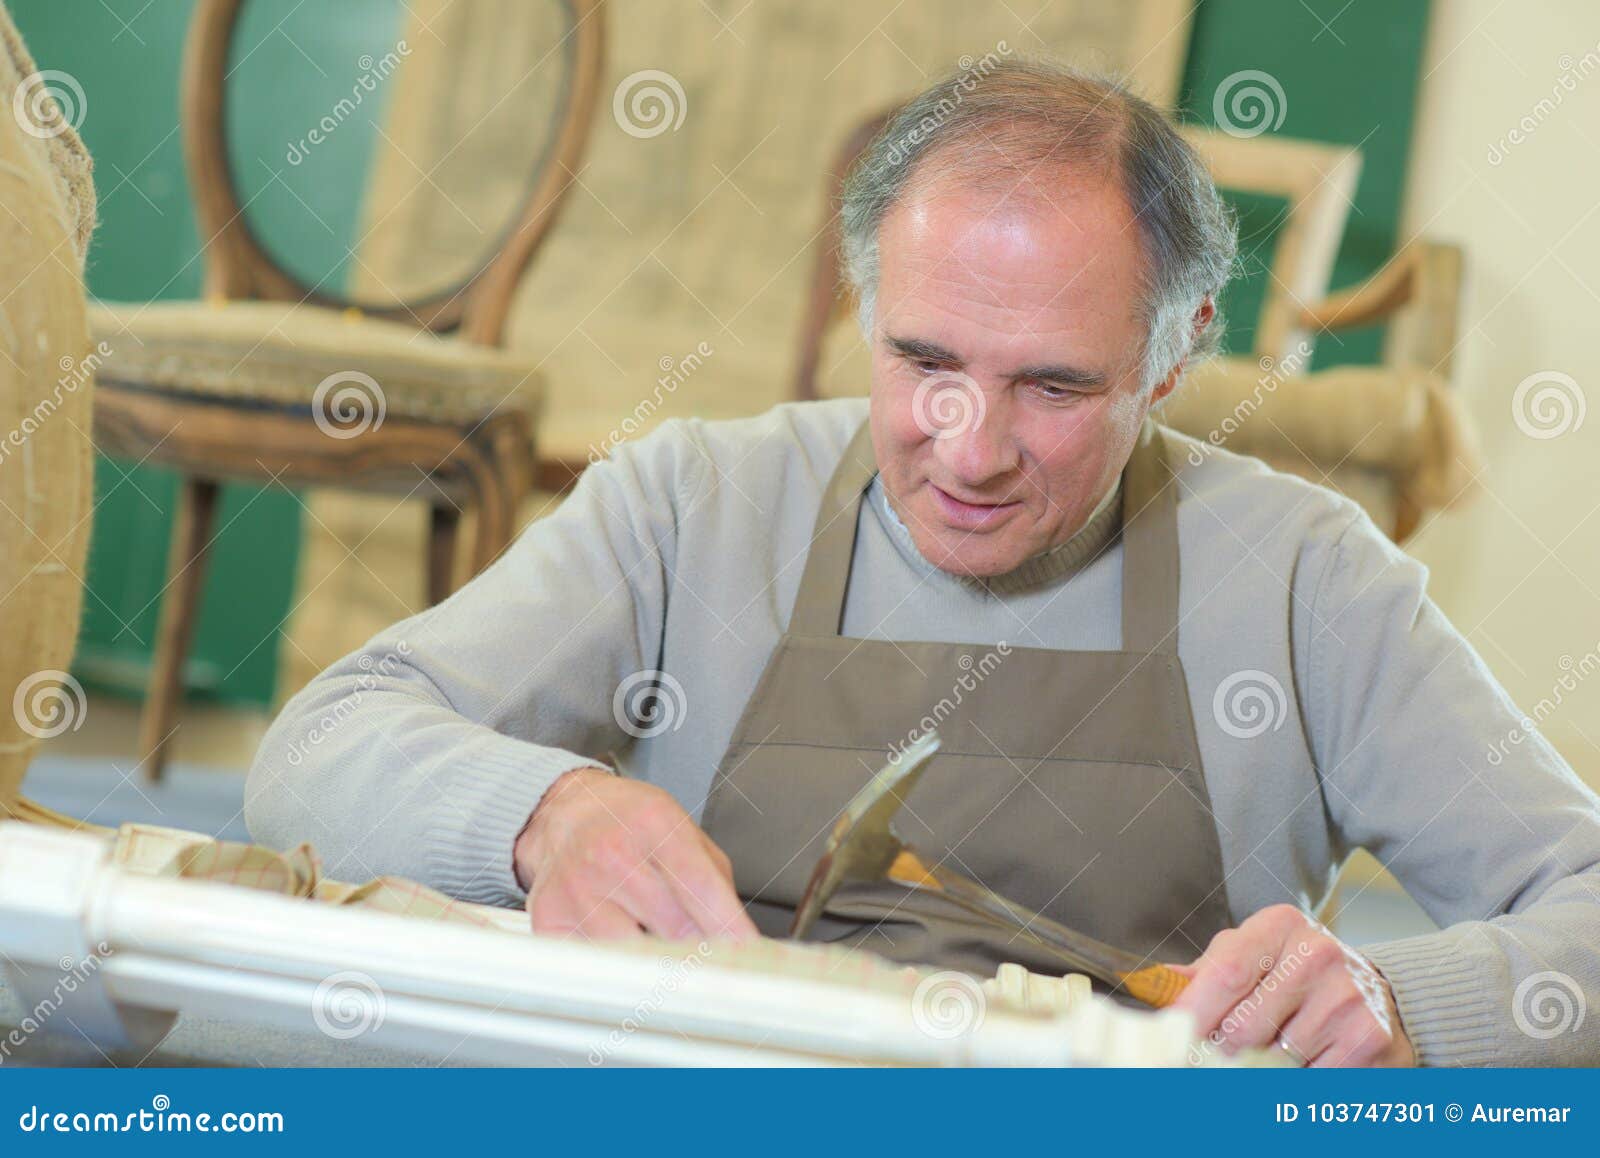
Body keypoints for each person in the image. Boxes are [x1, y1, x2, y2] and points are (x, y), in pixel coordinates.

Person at [248, 59, 1600, 1067]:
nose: (972, 449)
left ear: (1176, 356)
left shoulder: (1308, 580)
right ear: (867, 306)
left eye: (1056, 386)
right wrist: (546, 814)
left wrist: (1403, 1001)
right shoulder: (696, 503)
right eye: (925, 361)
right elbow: (316, 749)